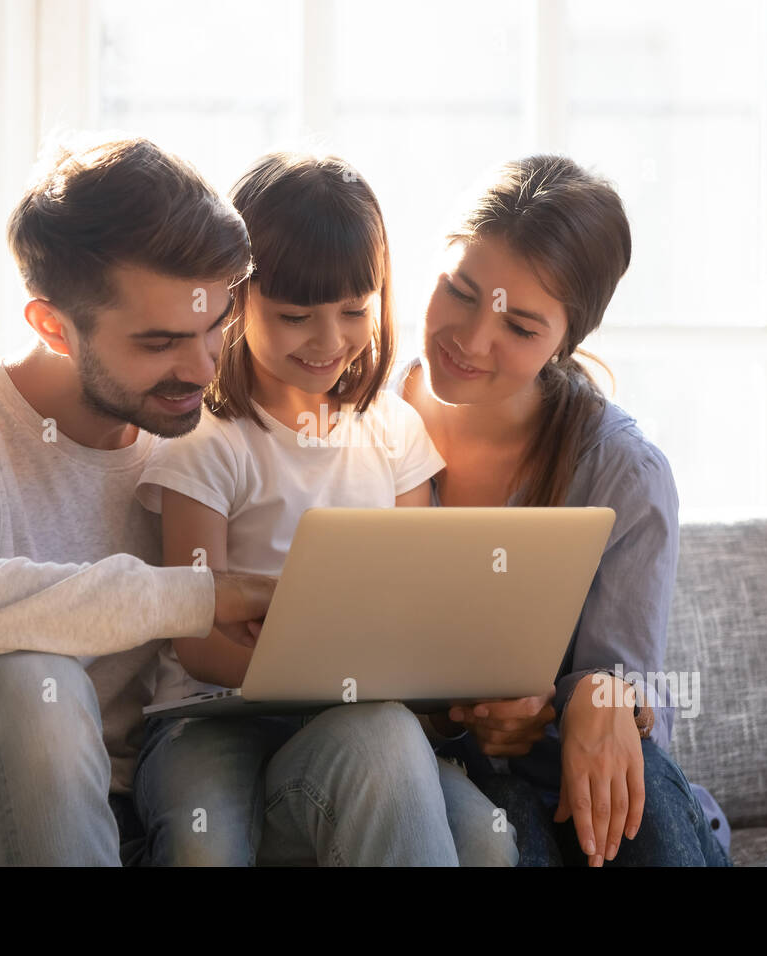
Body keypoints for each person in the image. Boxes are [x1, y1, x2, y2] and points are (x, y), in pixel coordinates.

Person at [0, 136, 276, 866]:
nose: (200, 367)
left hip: (144, 824)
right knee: (32, 680)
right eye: (160, 341)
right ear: (52, 327)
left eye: (215, 324)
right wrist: (195, 595)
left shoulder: (200, 450)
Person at [131, 152, 518, 866]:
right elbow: (193, 633)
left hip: (355, 714)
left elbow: (424, 592)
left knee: (487, 845)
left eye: (354, 311)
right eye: (293, 316)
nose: (330, 341)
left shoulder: (393, 431)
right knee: (204, 847)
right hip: (212, 718)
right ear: (232, 302)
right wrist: (316, 662)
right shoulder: (207, 443)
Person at [394, 154, 732, 867]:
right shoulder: (357, 428)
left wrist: (584, 699)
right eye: (459, 290)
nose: (471, 340)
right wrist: (460, 722)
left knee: (620, 758)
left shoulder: (621, 471)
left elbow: (631, 699)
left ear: (564, 343)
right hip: (430, 773)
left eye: (519, 327)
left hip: (579, 784)